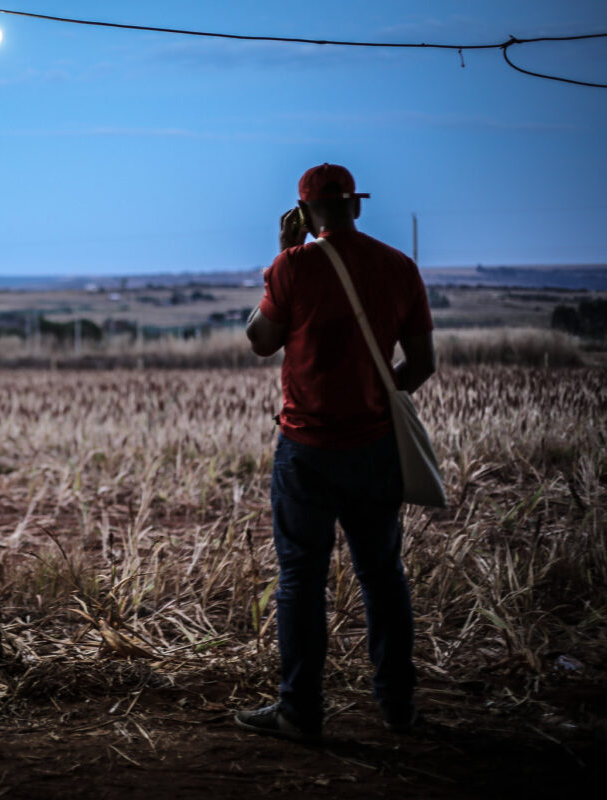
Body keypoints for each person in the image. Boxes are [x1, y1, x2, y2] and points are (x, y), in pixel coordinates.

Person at [236, 163, 436, 742]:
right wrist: (374, 397)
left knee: (301, 578)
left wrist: (283, 254)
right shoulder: (400, 267)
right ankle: (398, 709)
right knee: (382, 575)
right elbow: (422, 364)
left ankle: (299, 712)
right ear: (357, 205)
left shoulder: (292, 266)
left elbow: (260, 342)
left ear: (302, 213)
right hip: (376, 448)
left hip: (305, 449)